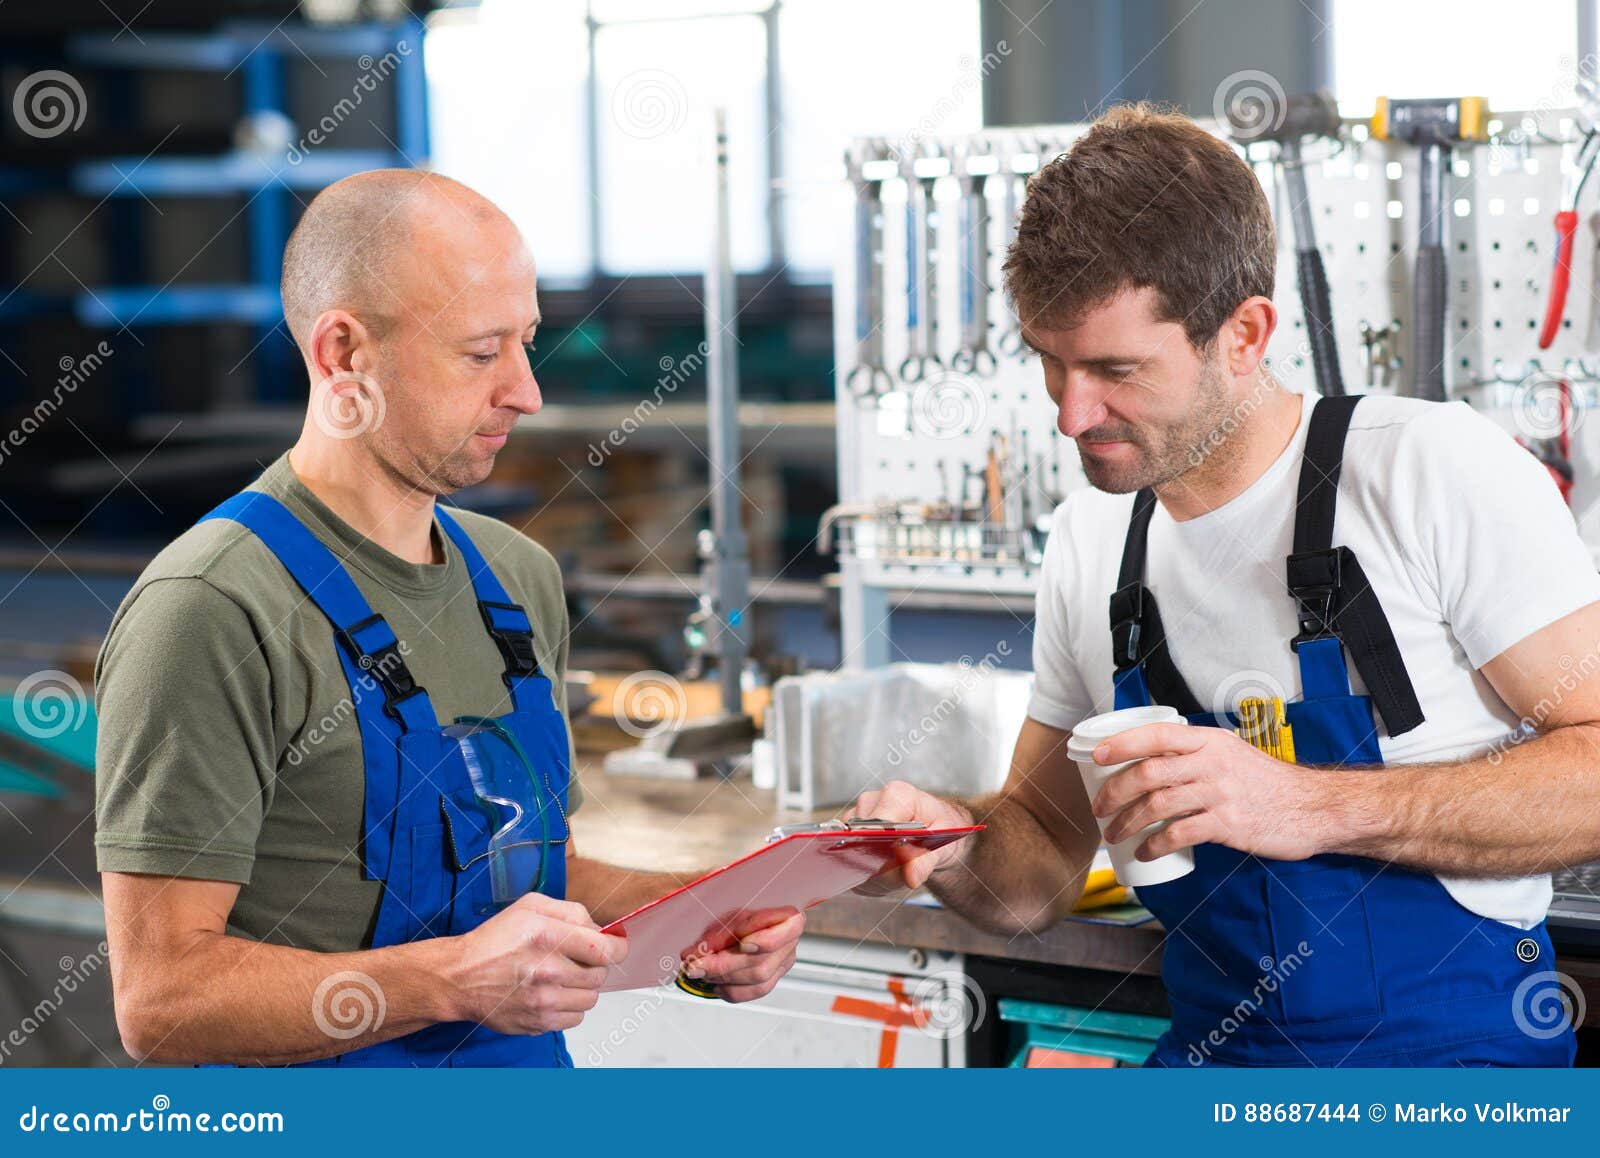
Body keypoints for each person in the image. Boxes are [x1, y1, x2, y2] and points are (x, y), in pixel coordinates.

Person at [853, 104, 1600, 1067]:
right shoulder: (1093, 538)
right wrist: (949, 849)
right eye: (1051, 362)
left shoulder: (1426, 469)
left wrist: (1311, 806)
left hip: (1448, 1067)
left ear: (1244, 334)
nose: (1073, 413)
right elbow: (1036, 865)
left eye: (1116, 369)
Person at [94, 171, 802, 1067]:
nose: (526, 392)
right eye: (480, 353)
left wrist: (706, 916)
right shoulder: (213, 608)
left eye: (527, 343)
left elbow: (541, 878)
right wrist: (452, 984)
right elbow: (161, 1002)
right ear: (344, 355)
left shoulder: (516, 579)